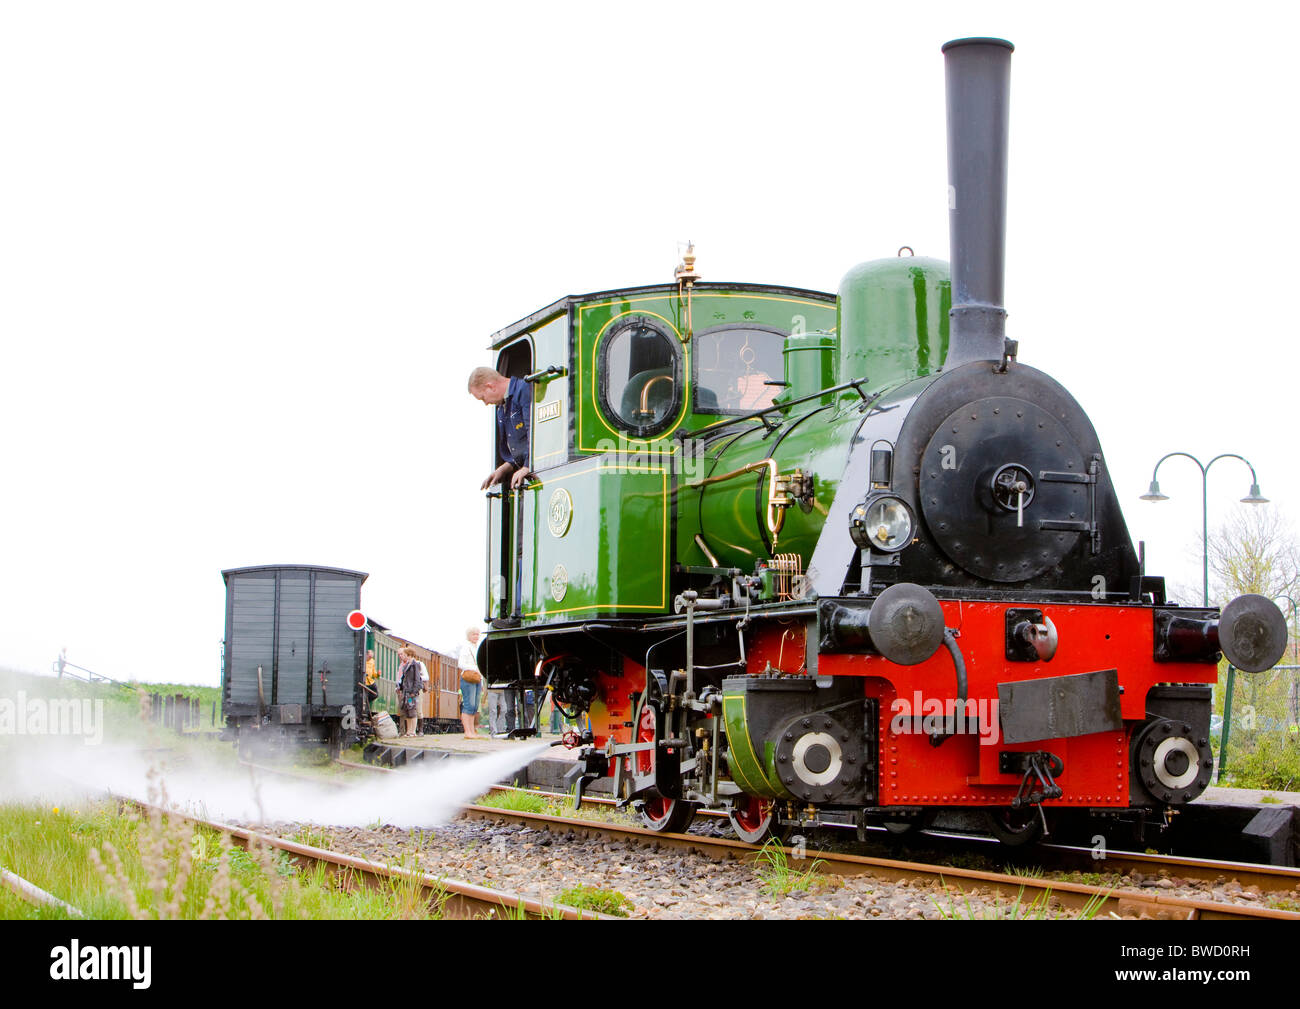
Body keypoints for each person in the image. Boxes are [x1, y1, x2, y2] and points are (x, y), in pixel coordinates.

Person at [468, 366, 532, 490]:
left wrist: (528, 466)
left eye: (483, 398)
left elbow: (535, 431)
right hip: (522, 477)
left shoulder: (523, 390)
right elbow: (520, 447)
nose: (486, 403)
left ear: (490, 386)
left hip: (533, 471)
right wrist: (505, 467)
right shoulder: (501, 410)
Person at [458, 626, 483, 739]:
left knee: (474, 707)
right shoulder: (465, 648)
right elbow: (461, 664)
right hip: (468, 678)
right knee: (468, 705)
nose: (476, 636)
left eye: (477, 634)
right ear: (469, 636)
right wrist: (475, 668)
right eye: (474, 634)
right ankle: (467, 731)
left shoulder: (478, 647)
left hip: (478, 678)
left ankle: (472, 731)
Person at [396, 647, 423, 738]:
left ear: (409, 655)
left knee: (412, 711)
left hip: (412, 691)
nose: (403, 656)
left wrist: (414, 691)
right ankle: (408, 731)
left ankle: (413, 731)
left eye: (404, 655)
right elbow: (404, 678)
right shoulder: (407, 664)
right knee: (407, 711)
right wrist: (400, 687)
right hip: (406, 691)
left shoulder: (415, 664)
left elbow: (417, 679)